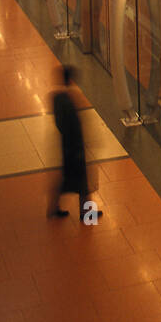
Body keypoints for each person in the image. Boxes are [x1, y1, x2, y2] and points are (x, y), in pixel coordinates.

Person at [48, 65, 100, 222]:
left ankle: (53, 207)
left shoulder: (56, 97)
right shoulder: (69, 100)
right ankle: (87, 214)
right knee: (83, 183)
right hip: (75, 148)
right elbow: (75, 127)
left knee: (66, 180)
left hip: (66, 147)